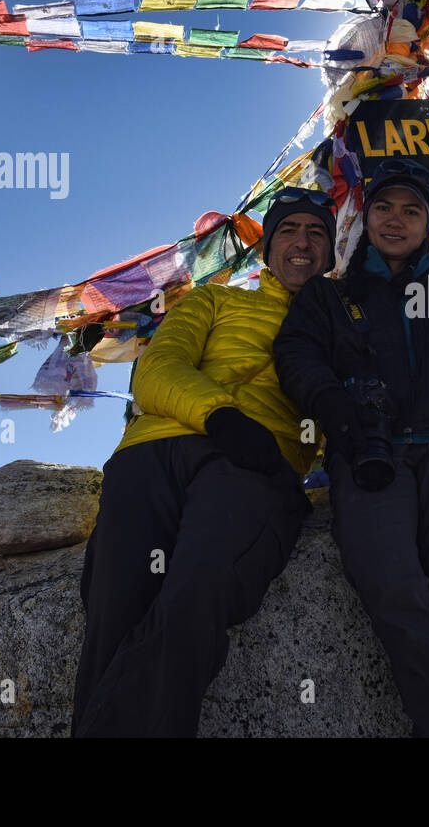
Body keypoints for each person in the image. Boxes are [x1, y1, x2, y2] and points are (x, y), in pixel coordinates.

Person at [71, 190, 336, 737]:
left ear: (331, 253)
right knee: (113, 609)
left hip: (255, 469)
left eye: (317, 232)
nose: (302, 242)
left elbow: (346, 418)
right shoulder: (213, 302)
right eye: (289, 230)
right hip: (153, 452)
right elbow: (155, 370)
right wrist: (220, 416)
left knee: (197, 592)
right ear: (267, 250)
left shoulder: (345, 332)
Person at [275, 158, 429, 737]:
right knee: (388, 581)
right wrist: (338, 411)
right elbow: (297, 358)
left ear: (426, 223)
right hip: (368, 452)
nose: (395, 220)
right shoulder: (329, 298)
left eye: (411, 211)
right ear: (365, 216)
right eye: (384, 207)